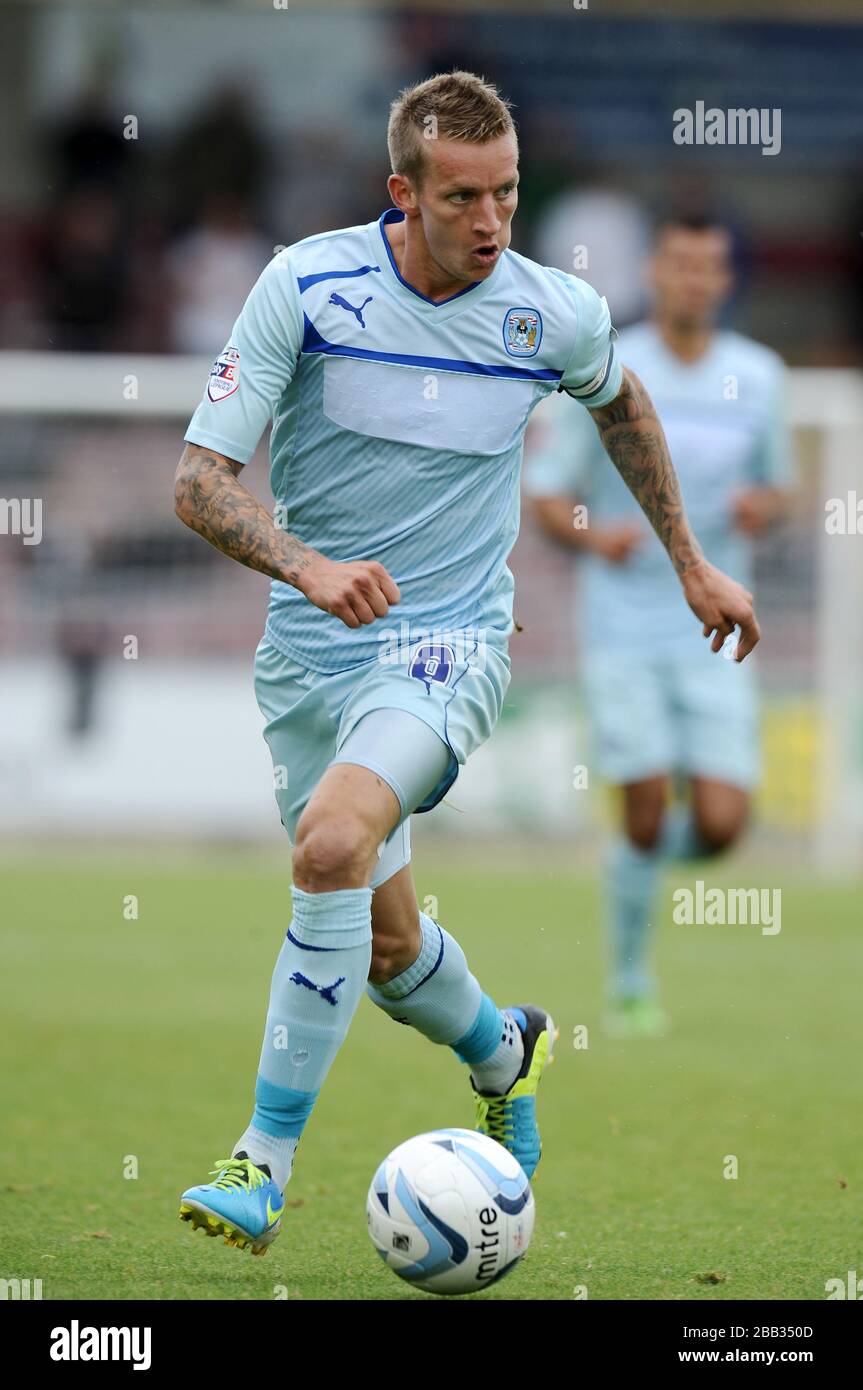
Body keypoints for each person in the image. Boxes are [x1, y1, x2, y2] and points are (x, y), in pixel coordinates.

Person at [173, 75, 759, 1257]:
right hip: (309, 651)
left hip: (448, 641)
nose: (491, 221)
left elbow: (624, 407)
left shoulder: (554, 311)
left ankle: (260, 1161)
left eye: (506, 193)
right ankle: (505, 1046)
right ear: (402, 192)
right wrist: (305, 565)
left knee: (330, 842)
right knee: (384, 950)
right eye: (460, 197)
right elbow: (197, 485)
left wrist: (690, 561)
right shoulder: (306, 283)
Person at [524, 215, 789, 1038]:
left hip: (713, 627)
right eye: (680, 265)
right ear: (654, 273)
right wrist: (591, 533)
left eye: (709, 267)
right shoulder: (608, 365)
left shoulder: (759, 375)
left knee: (719, 825)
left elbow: (778, 486)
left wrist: (763, 506)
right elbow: (547, 496)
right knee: (641, 804)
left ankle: (626, 868)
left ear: (724, 280)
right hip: (624, 622)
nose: (694, 281)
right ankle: (630, 980)